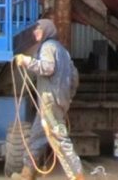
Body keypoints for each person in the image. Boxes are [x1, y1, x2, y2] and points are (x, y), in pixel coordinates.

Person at [11, 19, 84, 180]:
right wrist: (67, 97)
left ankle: (77, 176)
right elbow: (74, 76)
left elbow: (47, 67)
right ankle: (27, 172)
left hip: (49, 100)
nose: (35, 32)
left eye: (38, 30)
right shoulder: (63, 51)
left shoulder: (47, 47)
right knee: (37, 135)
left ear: (47, 31)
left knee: (59, 139)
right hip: (58, 100)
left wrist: (27, 61)